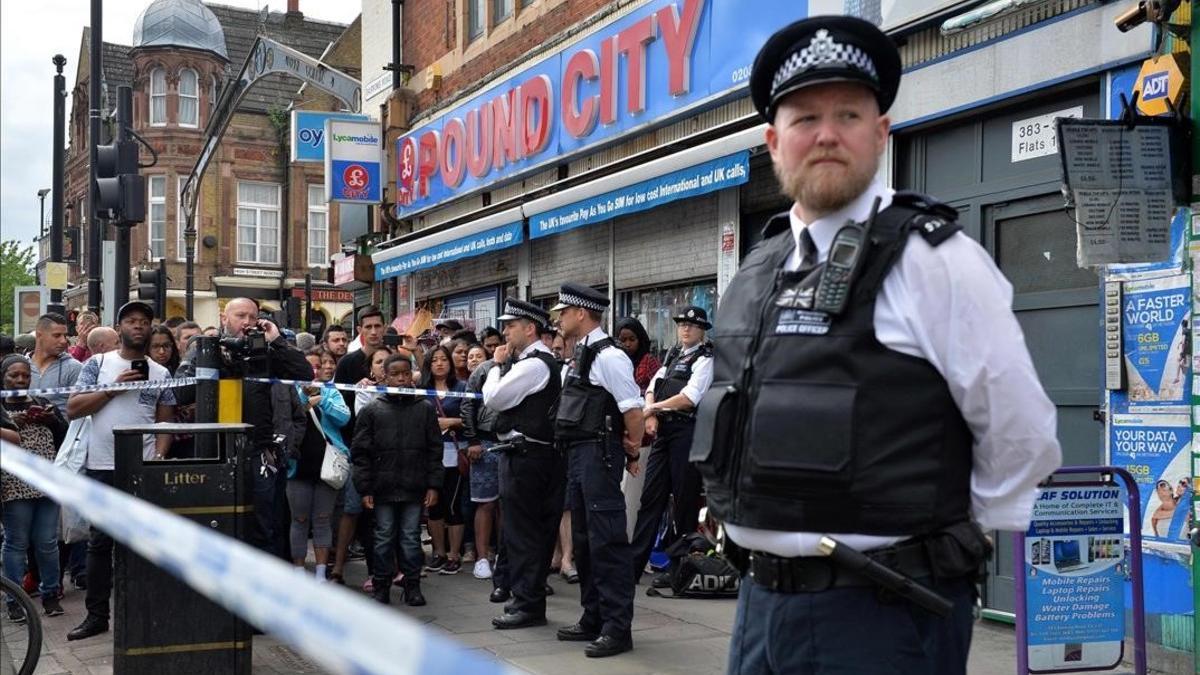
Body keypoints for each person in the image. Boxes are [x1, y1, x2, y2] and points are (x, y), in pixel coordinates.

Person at [692, 17, 1063, 674]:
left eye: (848, 114)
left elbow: (1022, 432)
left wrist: (931, 533)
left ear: (881, 132)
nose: (827, 133)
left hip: (879, 612)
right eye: (805, 118)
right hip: (757, 603)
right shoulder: (760, 265)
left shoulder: (935, 260)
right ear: (773, 141)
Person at [66, 301, 176, 641]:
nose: (138, 326)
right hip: (102, 466)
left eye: (144, 321)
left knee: (142, 544)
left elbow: (165, 422)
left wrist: (158, 458)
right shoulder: (98, 364)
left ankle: (143, 612)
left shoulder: (161, 373)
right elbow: (73, 408)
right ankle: (96, 616)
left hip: (141, 468)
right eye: (131, 321)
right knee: (100, 544)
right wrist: (113, 388)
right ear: (119, 327)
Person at [177, 297, 314, 555]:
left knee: (265, 524)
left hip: (258, 451)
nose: (248, 322)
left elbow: (304, 373)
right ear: (224, 319)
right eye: (241, 316)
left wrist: (276, 341)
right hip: (215, 451)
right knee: (219, 524)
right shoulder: (208, 347)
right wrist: (212, 361)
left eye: (253, 317)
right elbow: (181, 392)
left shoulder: (264, 349)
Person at [552, 283, 644, 658]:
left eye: (562, 312)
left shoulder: (610, 356)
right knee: (586, 541)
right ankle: (593, 616)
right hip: (579, 454)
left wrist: (632, 448)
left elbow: (633, 410)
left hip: (600, 454)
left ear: (580, 314)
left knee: (607, 541)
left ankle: (617, 628)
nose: (558, 319)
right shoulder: (582, 353)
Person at [480, 299, 564, 629]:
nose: (505, 333)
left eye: (511, 326)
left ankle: (527, 604)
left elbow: (496, 398)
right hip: (527, 455)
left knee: (524, 533)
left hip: (528, 457)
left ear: (530, 328)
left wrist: (496, 367)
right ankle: (525, 600)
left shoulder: (533, 365)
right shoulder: (531, 361)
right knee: (524, 532)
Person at [631, 306, 713, 585]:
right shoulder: (672, 354)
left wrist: (653, 409)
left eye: (692, 325)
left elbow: (690, 397)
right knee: (650, 498)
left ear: (702, 330)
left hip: (687, 431)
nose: (686, 329)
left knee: (684, 500)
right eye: (681, 324)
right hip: (665, 432)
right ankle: (635, 563)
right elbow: (654, 383)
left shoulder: (706, 358)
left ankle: (680, 568)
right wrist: (651, 412)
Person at [353, 354, 442, 605]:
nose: (401, 378)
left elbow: (434, 449)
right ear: (385, 377)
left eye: (405, 373)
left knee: (411, 537)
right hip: (382, 487)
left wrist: (434, 484)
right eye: (395, 374)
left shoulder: (424, 408)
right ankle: (381, 585)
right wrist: (365, 488)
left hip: (414, 486)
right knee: (383, 537)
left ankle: (412, 585)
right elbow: (361, 453)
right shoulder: (373, 410)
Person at [1, 354, 69, 620]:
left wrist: (51, 420)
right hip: (13, 484)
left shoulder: (43, 401)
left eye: (25, 375)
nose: (20, 380)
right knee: (16, 542)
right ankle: (14, 598)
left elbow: (64, 433)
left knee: (48, 542)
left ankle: (51, 594)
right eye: (14, 375)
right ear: (3, 376)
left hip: (46, 481)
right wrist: (12, 425)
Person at [287, 352, 350, 582]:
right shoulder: (290, 390)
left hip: (328, 466)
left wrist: (322, 400)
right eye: (309, 367)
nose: (313, 371)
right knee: (299, 519)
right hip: (297, 466)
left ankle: (321, 573)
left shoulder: (331, 392)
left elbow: (344, 417)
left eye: (318, 366)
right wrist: (304, 402)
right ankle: (298, 572)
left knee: (323, 519)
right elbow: (288, 418)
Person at [421, 345, 468, 574]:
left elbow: (470, 418)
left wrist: (450, 422)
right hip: (429, 455)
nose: (440, 363)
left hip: (454, 452)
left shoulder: (462, 388)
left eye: (443, 359)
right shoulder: (422, 389)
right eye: (434, 360)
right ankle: (438, 552)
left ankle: (454, 554)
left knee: (453, 504)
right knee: (434, 506)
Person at [614, 317, 660, 540]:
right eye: (622, 339)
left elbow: (657, 392)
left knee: (632, 496)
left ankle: (629, 544)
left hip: (642, 438)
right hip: (616, 436)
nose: (627, 344)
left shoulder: (649, 362)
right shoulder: (615, 361)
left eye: (632, 339)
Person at [461, 344, 500, 581]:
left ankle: (505, 555)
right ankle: (482, 558)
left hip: (512, 442)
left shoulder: (525, 367)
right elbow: (467, 404)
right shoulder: (484, 370)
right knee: (484, 503)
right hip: (484, 442)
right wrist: (473, 439)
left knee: (508, 504)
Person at [29, 313, 83, 417]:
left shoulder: (74, 368)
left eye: (65, 335)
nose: (63, 341)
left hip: (62, 432)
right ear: (39, 335)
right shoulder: (21, 366)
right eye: (57, 335)